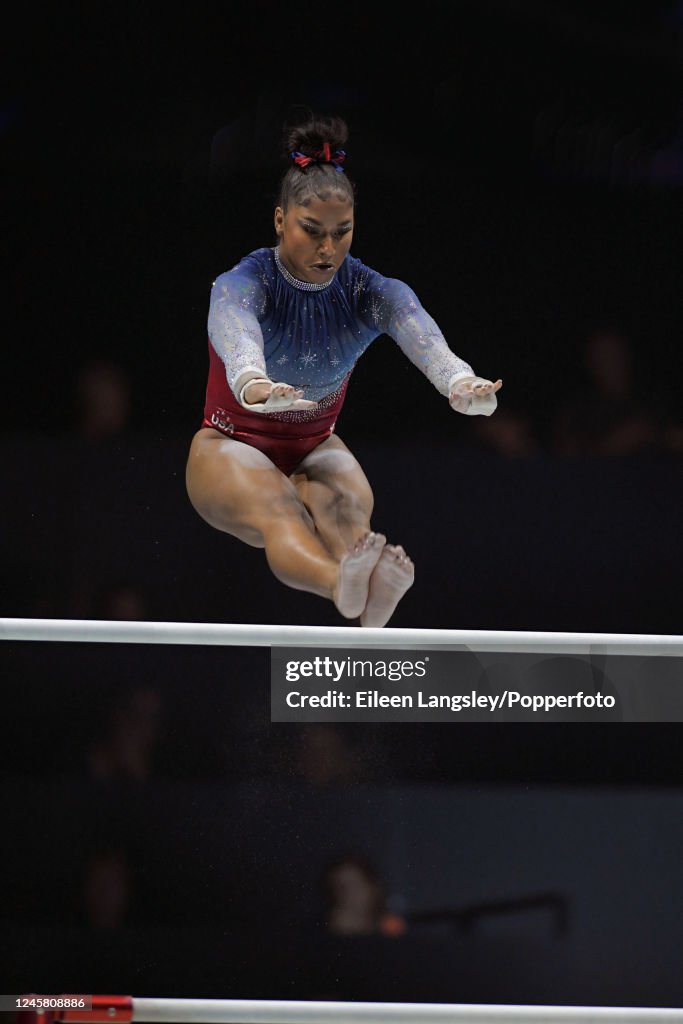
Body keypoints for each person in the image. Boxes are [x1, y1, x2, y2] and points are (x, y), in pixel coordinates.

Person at [186, 114, 502, 626]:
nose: (328, 249)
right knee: (280, 511)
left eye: (342, 232)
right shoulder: (243, 281)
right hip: (230, 443)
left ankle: (369, 592)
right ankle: (340, 586)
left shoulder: (369, 291)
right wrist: (252, 380)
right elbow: (232, 325)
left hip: (315, 444)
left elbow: (417, 328)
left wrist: (459, 381)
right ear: (279, 221)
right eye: (311, 231)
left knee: (352, 523)